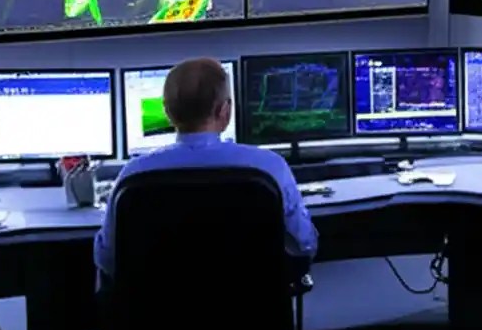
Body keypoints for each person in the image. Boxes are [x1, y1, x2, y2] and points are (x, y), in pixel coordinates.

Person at [94, 57, 318, 278]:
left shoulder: (134, 175)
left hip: (158, 311)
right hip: (252, 310)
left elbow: (108, 259)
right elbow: (304, 246)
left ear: (167, 113)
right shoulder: (269, 168)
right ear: (225, 111)